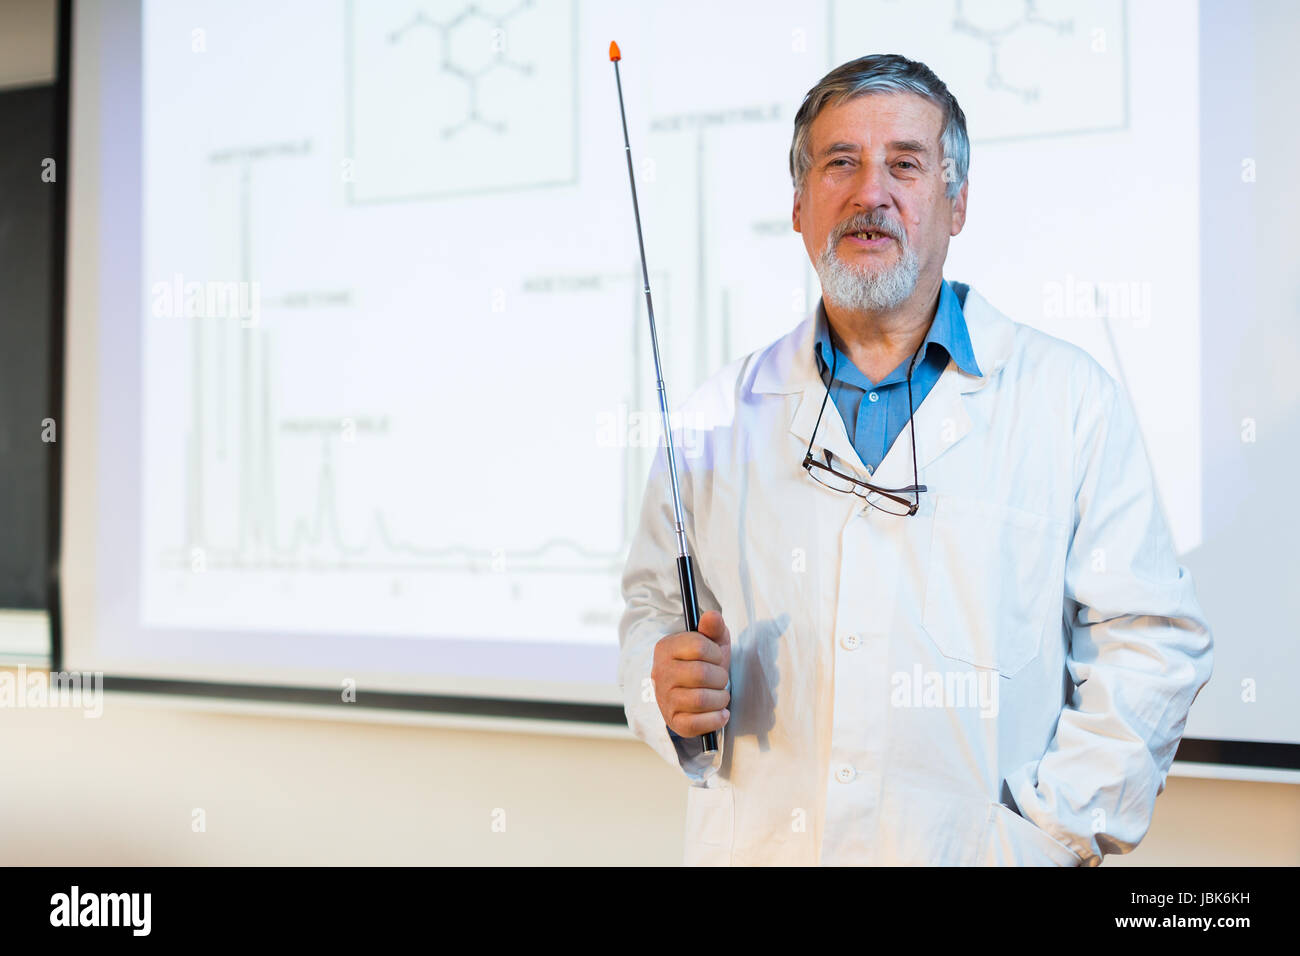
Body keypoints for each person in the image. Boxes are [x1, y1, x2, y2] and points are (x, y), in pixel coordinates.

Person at [617, 54, 1213, 866]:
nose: (871, 193)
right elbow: (654, 609)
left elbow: (1150, 641)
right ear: (798, 205)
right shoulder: (716, 420)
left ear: (956, 200)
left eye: (905, 163)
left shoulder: (1071, 401)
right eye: (840, 164)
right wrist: (666, 691)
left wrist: (1045, 836)